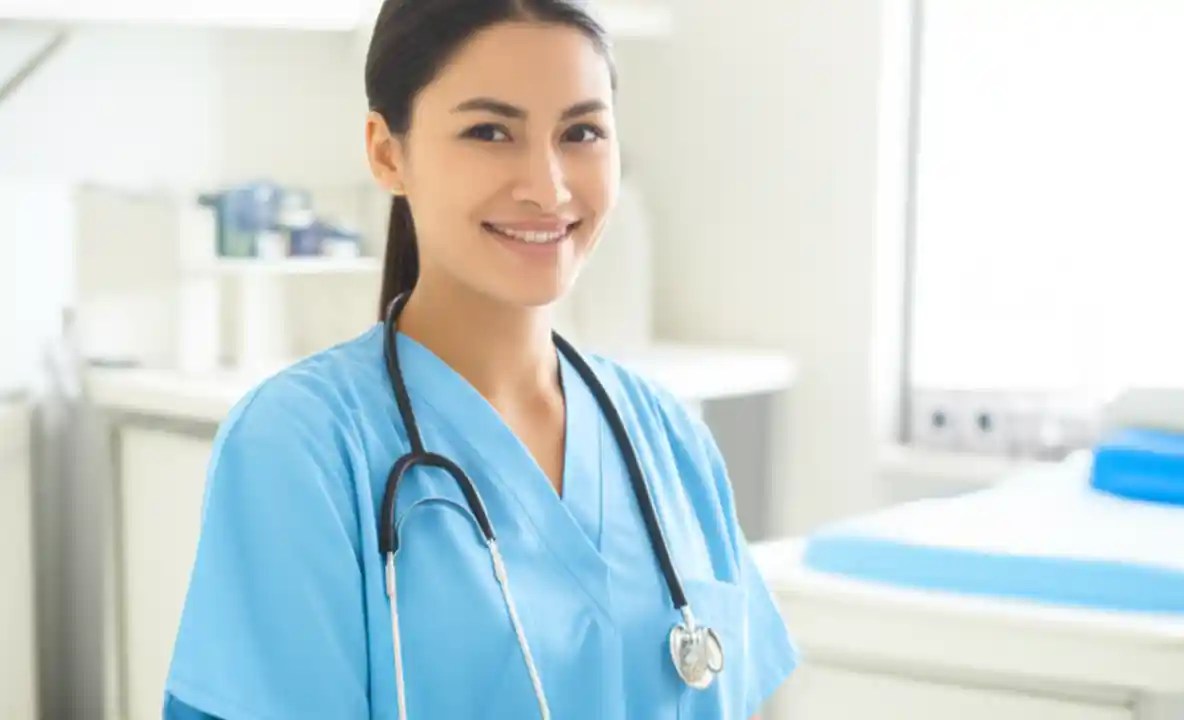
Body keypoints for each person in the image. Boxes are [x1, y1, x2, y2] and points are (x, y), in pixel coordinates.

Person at [162, 0, 797, 717]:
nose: (548, 186)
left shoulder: (668, 439)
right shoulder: (301, 447)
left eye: (581, 131)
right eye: (489, 131)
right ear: (385, 152)